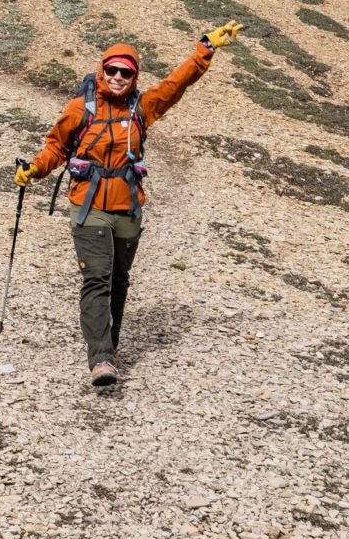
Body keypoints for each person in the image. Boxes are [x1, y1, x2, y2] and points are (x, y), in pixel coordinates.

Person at [14, 23, 242, 387]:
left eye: (127, 72)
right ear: (102, 69)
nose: (118, 77)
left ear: (134, 75)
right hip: (88, 207)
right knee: (97, 278)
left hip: (128, 208)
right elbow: (56, 147)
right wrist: (34, 170)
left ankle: (110, 346)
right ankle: (100, 358)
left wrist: (205, 49)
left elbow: (176, 84)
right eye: (112, 70)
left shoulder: (143, 107)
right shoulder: (80, 108)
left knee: (119, 280)